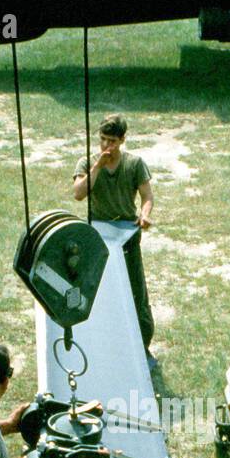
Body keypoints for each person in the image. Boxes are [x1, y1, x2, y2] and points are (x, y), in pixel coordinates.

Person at [73, 113, 156, 360]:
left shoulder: (134, 163)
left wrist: (145, 214)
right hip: (97, 233)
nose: (106, 146)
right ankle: (99, 345)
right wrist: (97, 166)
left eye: (112, 141)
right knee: (96, 291)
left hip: (126, 234)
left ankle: (142, 349)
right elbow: (78, 194)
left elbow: (147, 196)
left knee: (136, 293)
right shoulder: (87, 163)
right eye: (102, 139)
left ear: (122, 140)